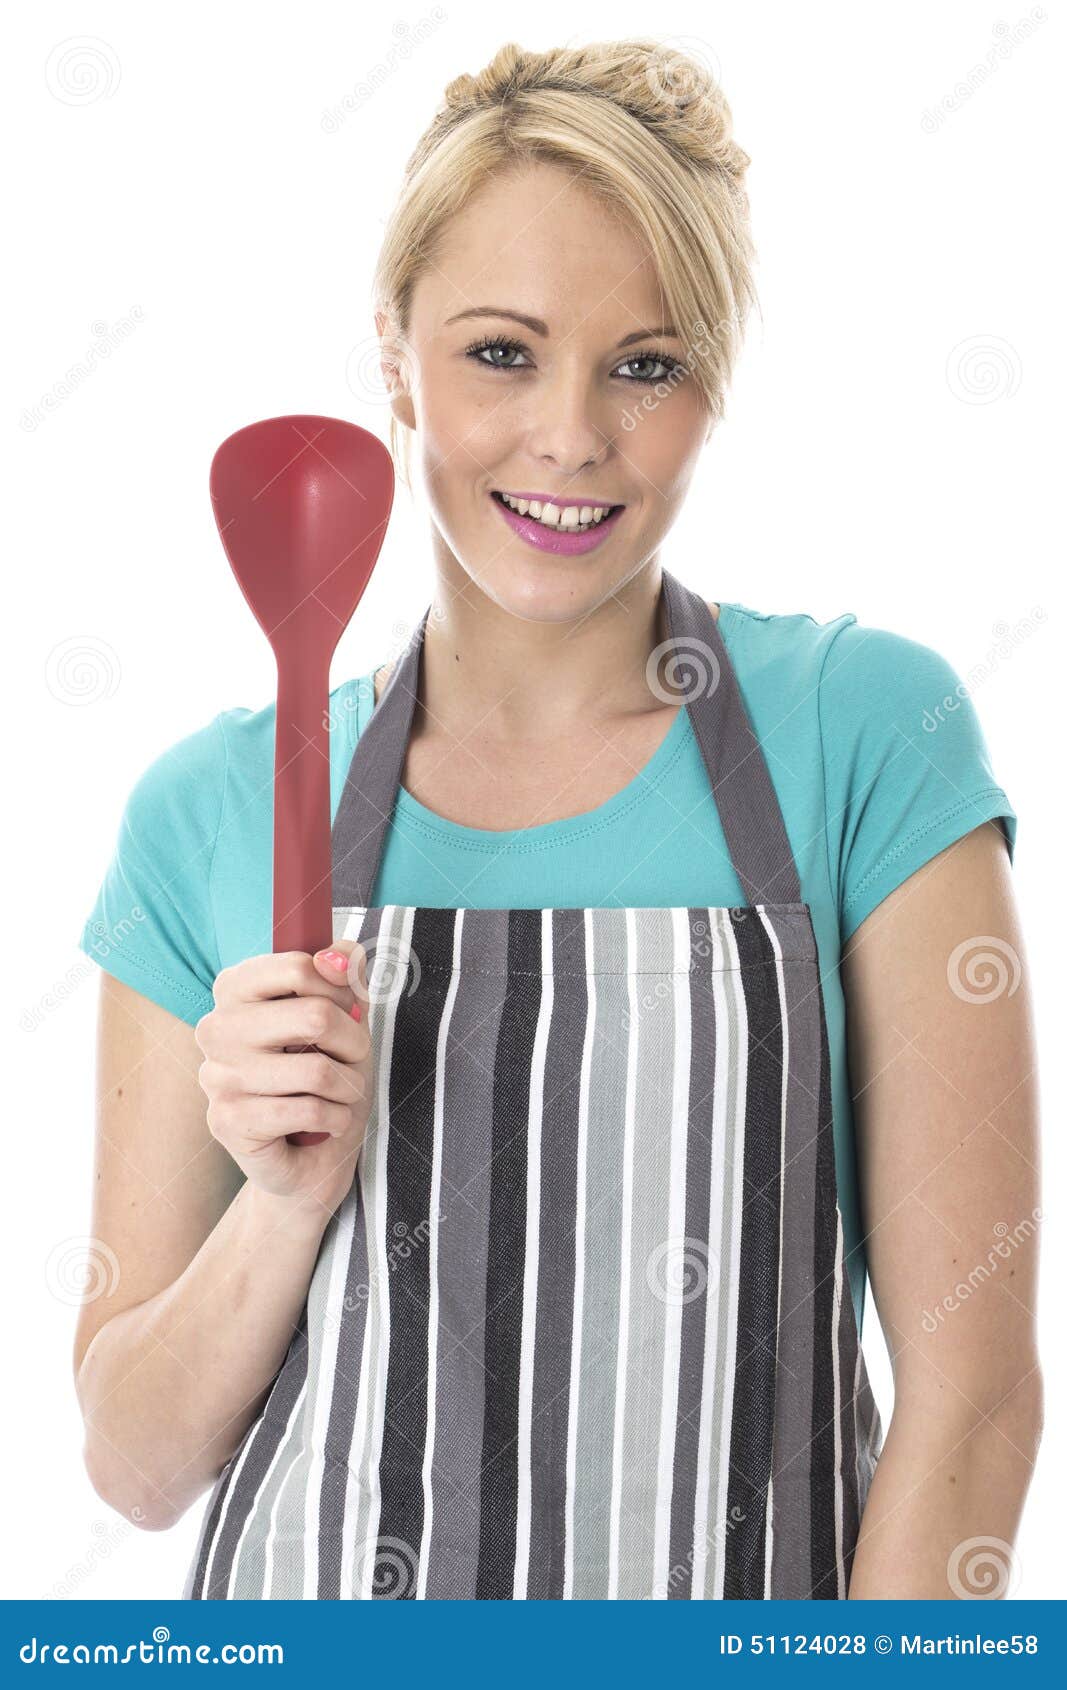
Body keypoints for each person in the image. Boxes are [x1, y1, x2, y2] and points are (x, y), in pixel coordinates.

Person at [73, 39, 1041, 1600]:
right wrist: (282, 1198)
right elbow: (131, 1460)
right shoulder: (213, 809)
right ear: (393, 358)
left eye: (644, 364)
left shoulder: (865, 733)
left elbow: (975, 1403)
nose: (573, 436)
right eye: (501, 354)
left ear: (712, 381)